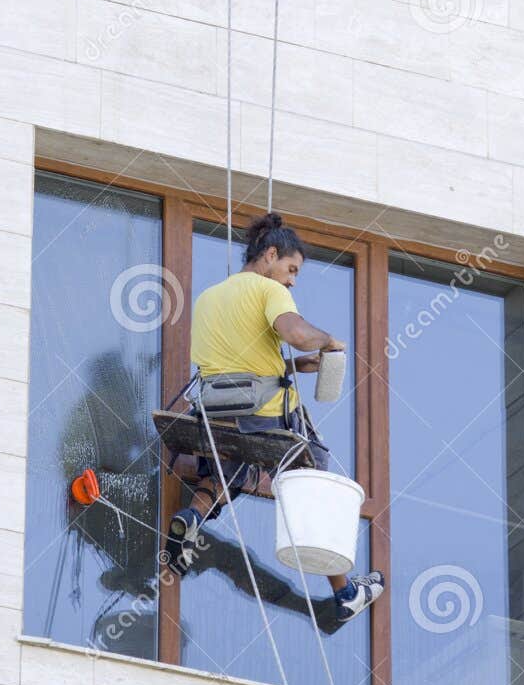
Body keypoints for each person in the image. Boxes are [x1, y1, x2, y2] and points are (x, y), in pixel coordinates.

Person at [164, 211, 385, 624]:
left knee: (229, 472)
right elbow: (295, 332)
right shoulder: (269, 291)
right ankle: (346, 592)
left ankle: (190, 518)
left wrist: (295, 365)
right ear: (269, 255)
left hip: (216, 414)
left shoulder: (210, 296)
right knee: (314, 475)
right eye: (291, 269)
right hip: (264, 417)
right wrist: (327, 341)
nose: (292, 281)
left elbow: (238, 360)